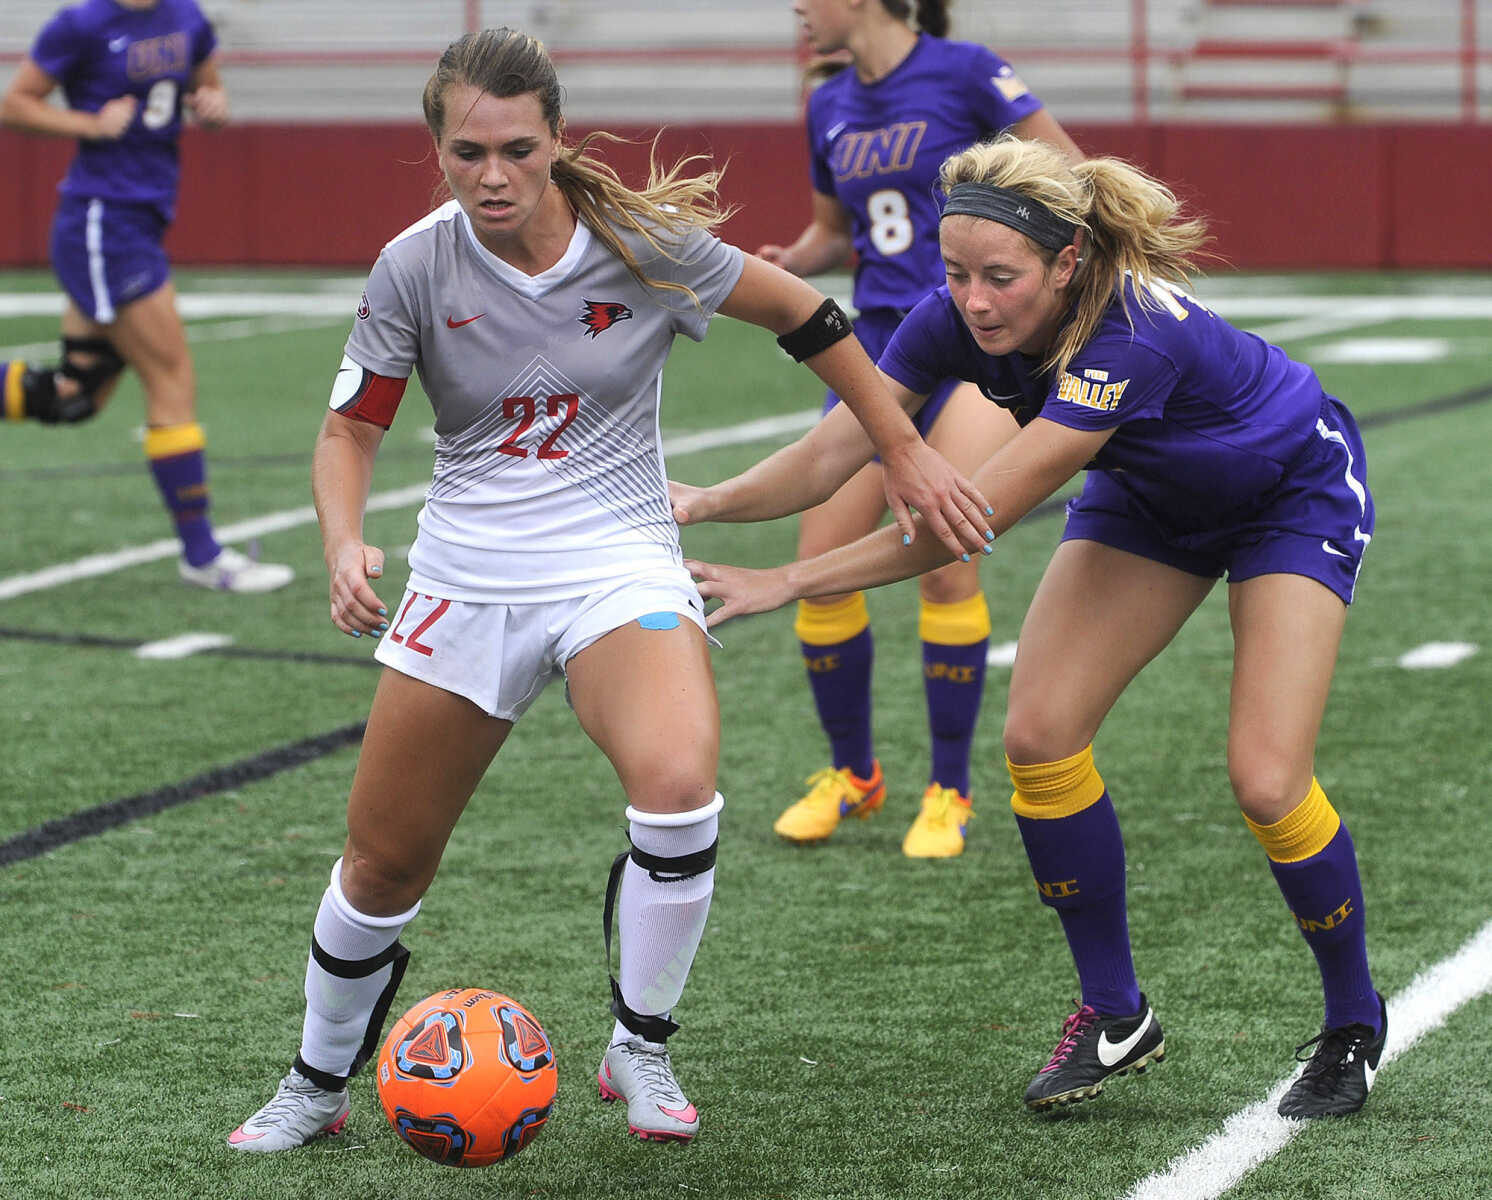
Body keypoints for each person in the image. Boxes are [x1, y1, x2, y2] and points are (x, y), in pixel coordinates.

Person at [225, 27, 991, 1154]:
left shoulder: (643, 244)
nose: (493, 176)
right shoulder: (415, 264)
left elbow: (809, 317)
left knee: (679, 784)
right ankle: (316, 1081)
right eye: (467, 152)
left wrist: (905, 450)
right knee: (384, 860)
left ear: (555, 141)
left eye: (517, 150)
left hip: (617, 556)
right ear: (436, 148)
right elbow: (349, 430)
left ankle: (639, 1045)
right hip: (468, 573)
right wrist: (344, 541)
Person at [676, 133, 1386, 1119]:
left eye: (998, 277)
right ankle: (1114, 1012)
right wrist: (703, 502)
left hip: (1288, 493)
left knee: (1266, 779)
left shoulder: (1128, 333)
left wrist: (788, 578)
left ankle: (1353, 1017)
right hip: (1150, 497)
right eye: (954, 271)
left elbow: (964, 523)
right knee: (1039, 739)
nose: (972, 300)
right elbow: (829, 452)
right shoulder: (948, 317)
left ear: (1067, 263)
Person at [758, 0, 1080, 857]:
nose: (796, 8)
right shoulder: (826, 103)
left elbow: (1073, 178)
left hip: (975, 342)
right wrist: (793, 263)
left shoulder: (968, 70)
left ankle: (949, 789)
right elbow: (836, 232)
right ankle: (854, 775)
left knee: (941, 547)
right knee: (820, 568)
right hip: (880, 350)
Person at [0, 0, 292, 593]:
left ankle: (200, 552)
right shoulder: (81, 22)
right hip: (105, 224)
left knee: (77, 395)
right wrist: (88, 124)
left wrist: (213, 106)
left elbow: (208, 87)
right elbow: (15, 104)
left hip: (140, 220)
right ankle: (202, 554)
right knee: (172, 378)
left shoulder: (187, 16)